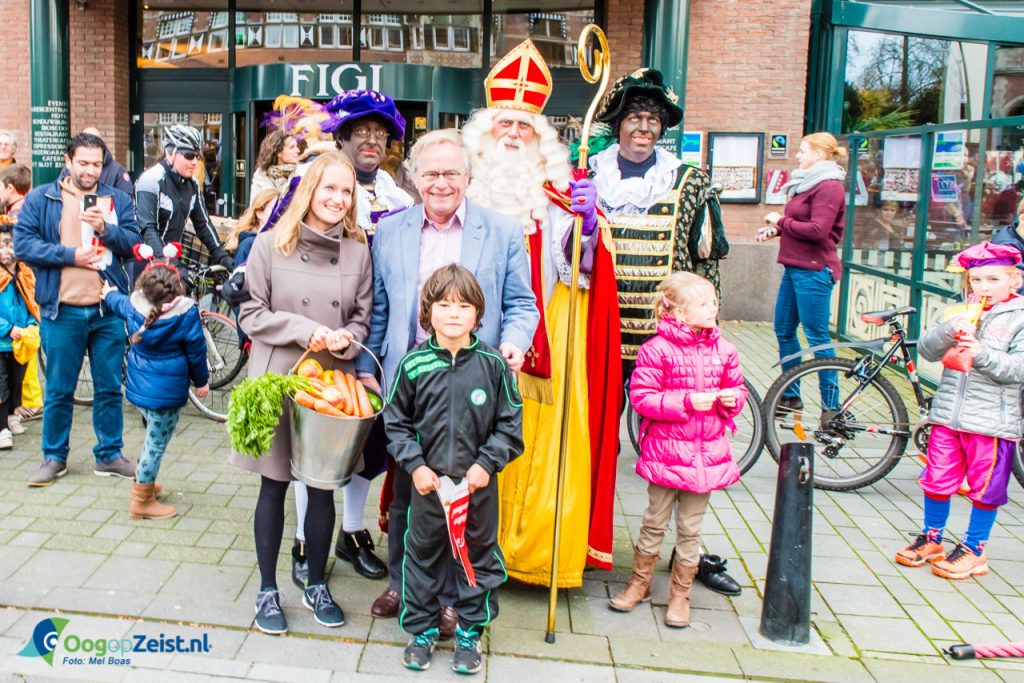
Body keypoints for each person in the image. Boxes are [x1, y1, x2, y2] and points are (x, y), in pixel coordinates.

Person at [360, 128, 538, 632]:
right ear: (414, 178)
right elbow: (381, 311)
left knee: (467, 492)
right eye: (431, 173)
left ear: (468, 177)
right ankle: (401, 583)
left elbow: (523, 304)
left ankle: (453, 595)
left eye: (451, 173)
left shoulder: (501, 231)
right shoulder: (391, 230)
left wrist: (515, 342)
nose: (440, 183)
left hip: (473, 381)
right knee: (407, 488)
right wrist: (367, 370)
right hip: (410, 379)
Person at [461, 38, 621, 587]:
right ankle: (461, 550)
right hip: (465, 340)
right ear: (484, 133)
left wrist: (588, 230)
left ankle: (530, 557)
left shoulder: (558, 196)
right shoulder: (459, 190)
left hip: (541, 344)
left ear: (540, 138)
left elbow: (579, 274)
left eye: (524, 126)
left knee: (532, 447)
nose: (512, 133)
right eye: (503, 123)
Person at [585, 67, 740, 596]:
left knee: (680, 451)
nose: (643, 127)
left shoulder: (689, 180)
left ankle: (685, 554)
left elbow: (705, 268)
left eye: (652, 120)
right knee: (595, 441)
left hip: (668, 346)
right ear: (618, 124)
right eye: (634, 118)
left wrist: (708, 333)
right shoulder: (587, 174)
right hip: (600, 333)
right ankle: (586, 539)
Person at [230, 150, 372, 636]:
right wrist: (304, 328)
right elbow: (251, 314)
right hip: (277, 376)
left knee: (322, 485)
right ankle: (267, 589)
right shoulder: (270, 245)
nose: (337, 198)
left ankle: (315, 582)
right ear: (310, 189)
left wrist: (346, 337)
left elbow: (361, 317)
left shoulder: (358, 249)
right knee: (273, 484)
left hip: (328, 382)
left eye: (346, 190)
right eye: (328, 188)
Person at [294, 89, 414, 583]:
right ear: (341, 138)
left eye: (380, 134)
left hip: (369, 335)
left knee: (368, 442)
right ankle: (305, 540)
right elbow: (274, 244)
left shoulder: (399, 197)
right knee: (314, 441)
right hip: (315, 335)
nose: (371, 141)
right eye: (360, 133)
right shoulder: (311, 186)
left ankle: (352, 531)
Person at [386, 264, 523, 674]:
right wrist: (414, 466)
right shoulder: (413, 366)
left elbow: (510, 424)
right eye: (444, 305)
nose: (453, 313)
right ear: (427, 312)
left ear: (478, 314)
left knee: (476, 559)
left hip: (476, 488)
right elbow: (395, 423)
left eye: (463, 306)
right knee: (421, 556)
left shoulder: (493, 367)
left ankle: (469, 632)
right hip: (428, 488)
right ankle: (422, 631)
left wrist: (486, 464)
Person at [612, 272, 746, 627]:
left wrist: (733, 400)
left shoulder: (726, 351)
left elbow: (737, 390)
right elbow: (642, 398)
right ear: (679, 314)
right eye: (704, 304)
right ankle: (639, 585)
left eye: (714, 302)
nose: (713, 308)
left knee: (691, 527)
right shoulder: (657, 350)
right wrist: (687, 400)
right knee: (654, 521)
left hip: (705, 455)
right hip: (667, 454)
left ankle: (680, 594)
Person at [15, 132, 141, 487]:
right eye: (83, 162)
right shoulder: (43, 197)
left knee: (108, 388)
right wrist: (70, 256)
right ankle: (54, 457)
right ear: (68, 161)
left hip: (107, 310)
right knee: (58, 388)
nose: (90, 170)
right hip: (62, 310)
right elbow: (24, 244)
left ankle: (110, 455)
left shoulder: (116, 197)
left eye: (97, 163)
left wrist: (107, 229)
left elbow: (133, 244)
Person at [896, 242, 1024, 579]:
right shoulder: (961, 309)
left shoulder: (1020, 317)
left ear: (1014, 281)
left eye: (993, 279)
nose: (983, 288)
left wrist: (979, 352)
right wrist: (948, 330)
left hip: (991, 423)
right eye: (976, 280)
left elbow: (1017, 370)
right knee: (936, 479)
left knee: (985, 488)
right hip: (948, 413)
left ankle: (974, 549)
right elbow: (926, 349)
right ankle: (932, 537)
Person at [101, 246, 209, 520]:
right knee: (156, 443)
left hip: (140, 388)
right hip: (167, 392)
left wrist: (107, 293)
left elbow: (117, 302)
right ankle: (141, 500)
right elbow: (197, 351)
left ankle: (145, 481)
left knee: (152, 438)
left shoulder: (134, 306)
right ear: (177, 288)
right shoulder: (186, 314)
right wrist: (202, 381)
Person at [759, 132, 847, 417]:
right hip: (795, 267)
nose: (797, 155)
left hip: (814, 271)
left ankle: (831, 407)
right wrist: (778, 230)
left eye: (802, 150)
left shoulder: (829, 186)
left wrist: (781, 220)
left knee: (817, 337)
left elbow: (819, 230)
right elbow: (803, 223)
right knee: (783, 330)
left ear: (819, 155)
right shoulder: (806, 184)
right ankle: (792, 396)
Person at [135, 125, 233, 272]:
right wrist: (172, 266)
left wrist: (221, 254)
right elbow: (148, 229)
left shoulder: (192, 184)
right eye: (188, 155)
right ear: (170, 153)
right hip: (148, 264)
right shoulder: (151, 180)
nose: (194, 161)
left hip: (172, 262)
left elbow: (203, 224)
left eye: (197, 156)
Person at [0, 220, 39, 448]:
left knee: (17, 382)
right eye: (1, 245)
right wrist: (8, 329)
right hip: (3, 341)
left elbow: (33, 304)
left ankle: (12, 416)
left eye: (10, 245)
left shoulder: (25, 274)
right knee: (2, 386)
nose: (6, 251)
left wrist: (32, 325)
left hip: (21, 342)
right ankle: (2, 428)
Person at [56, 127, 134, 198]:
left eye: (97, 165)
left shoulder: (118, 171)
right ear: (68, 162)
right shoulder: (70, 168)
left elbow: (126, 199)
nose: (90, 171)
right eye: (83, 164)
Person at [250, 130, 298, 198]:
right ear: (278, 152)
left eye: (297, 146)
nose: (298, 150)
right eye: (292, 147)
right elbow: (254, 207)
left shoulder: (300, 174)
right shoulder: (261, 178)